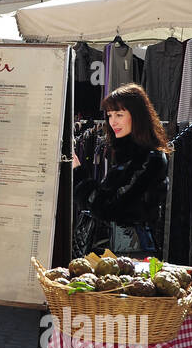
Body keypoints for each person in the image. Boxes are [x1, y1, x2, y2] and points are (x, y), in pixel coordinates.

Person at [71, 83, 170, 257]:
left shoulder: (149, 159)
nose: (112, 121)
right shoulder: (127, 157)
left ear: (137, 116)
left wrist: (79, 175)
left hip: (130, 252)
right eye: (109, 115)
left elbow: (110, 207)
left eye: (119, 114)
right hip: (118, 250)